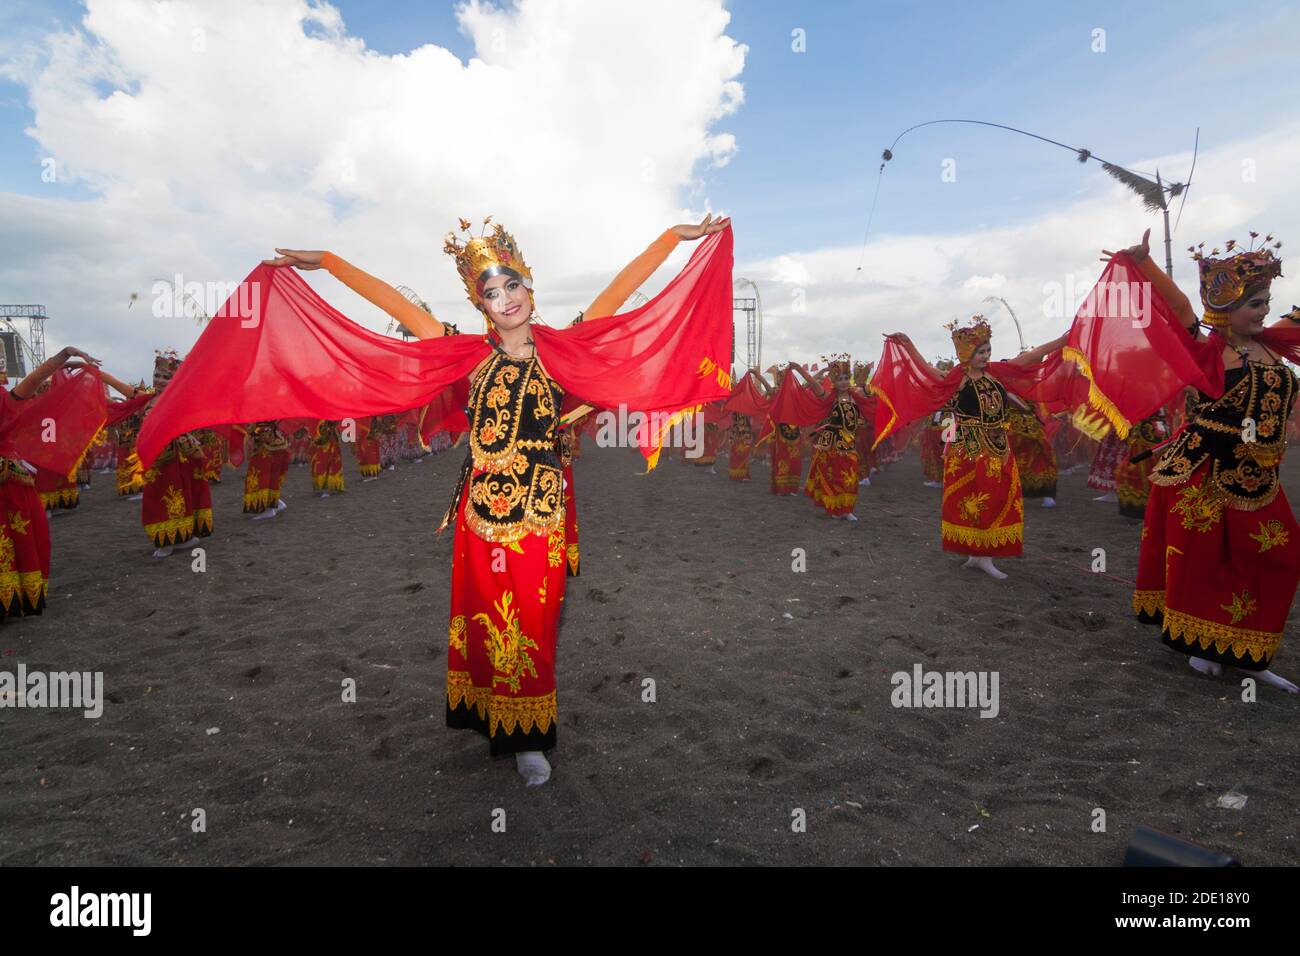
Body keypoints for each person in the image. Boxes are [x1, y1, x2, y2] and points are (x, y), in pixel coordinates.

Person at [258, 214, 731, 784]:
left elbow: (619, 295)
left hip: (540, 512)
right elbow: (402, 316)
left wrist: (671, 241)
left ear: (529, 284)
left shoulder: (563, 350)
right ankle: (494, 721)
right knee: (482, 621)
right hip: (479, 515)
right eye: (491, 292)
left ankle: (530, 738)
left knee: (532, 622)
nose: (505, 298)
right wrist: (329, 262)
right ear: (479, 303)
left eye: (512, 285)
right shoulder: (466, 355)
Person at [1108, 229, 1300, 691]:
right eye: (1255, 303)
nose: (1264, 311)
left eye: (1267, 301)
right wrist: (1146, 264)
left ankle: (1250, 654)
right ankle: (1203, 647)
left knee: (1274, 555)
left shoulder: (1275, 344)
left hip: (1259, 474)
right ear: (1225, 307)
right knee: (1205, 562)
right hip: (1205, 471)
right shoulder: (1210, 348)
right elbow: (1177, 309)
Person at [882, 318, 1067, 578]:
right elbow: (926, 371)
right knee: (973, 498)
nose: (985, 356)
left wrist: (1062, 340)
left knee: (998, 496)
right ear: (967, 353)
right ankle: (977, 555)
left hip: (998, 446)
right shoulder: (958, 377)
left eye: (988, 350)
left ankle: (984, 555)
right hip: (968, 448)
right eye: (981, 352)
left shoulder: (996, 372)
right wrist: (908, 344)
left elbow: (1033, 356)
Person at [792, 357, 866, 521]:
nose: (844, 382)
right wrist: (799, 369)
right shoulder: (829, 397)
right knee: (834, 476)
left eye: (846, 378)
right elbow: (813, 383)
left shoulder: (857, 397)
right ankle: (835, 508)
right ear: (834, 381)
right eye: (839, 379)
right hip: (832, 444)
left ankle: (847, 509)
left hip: (849, 443)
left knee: (851, 476)